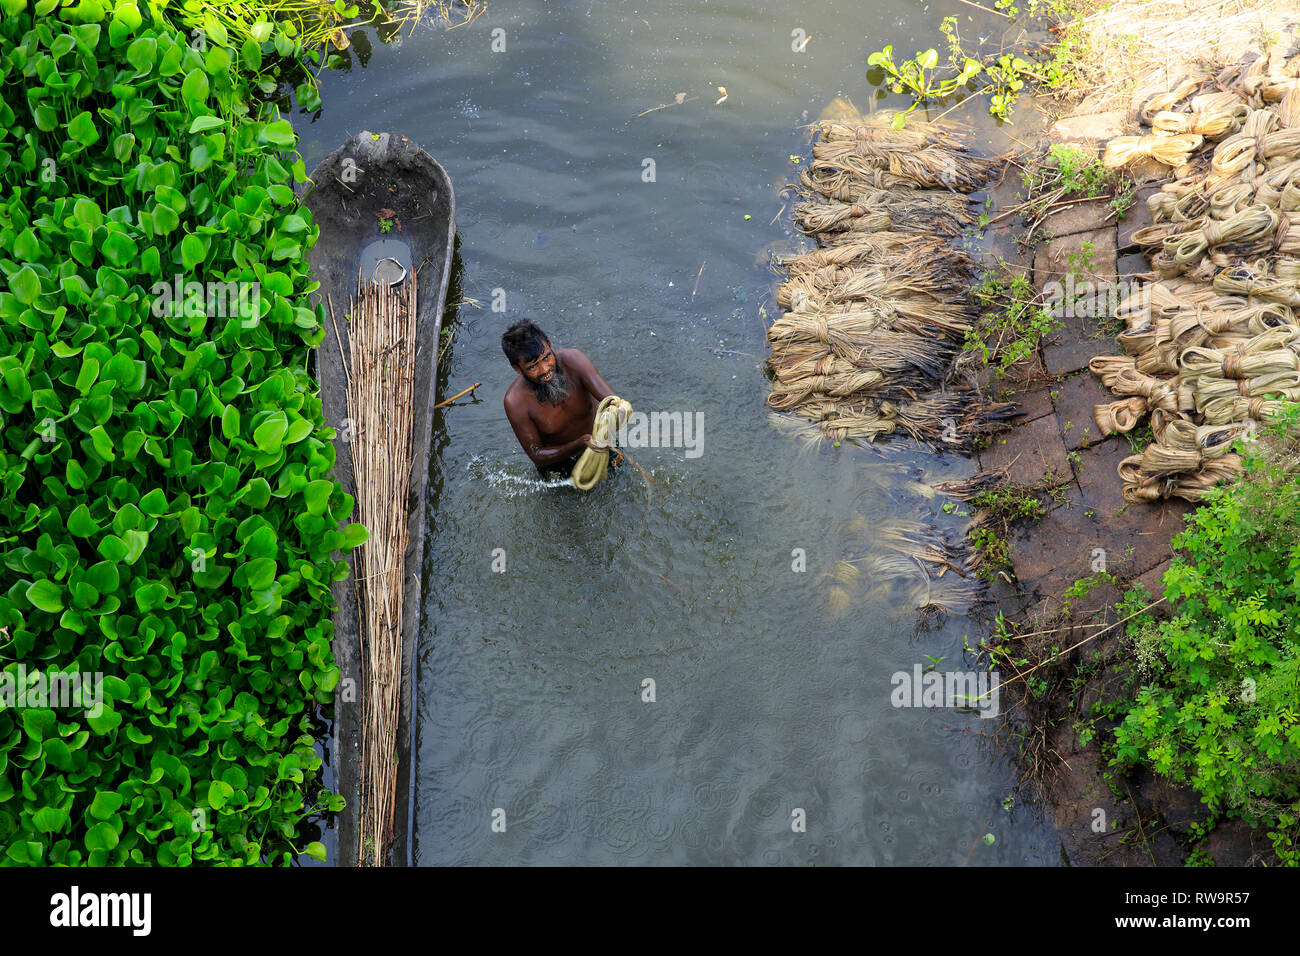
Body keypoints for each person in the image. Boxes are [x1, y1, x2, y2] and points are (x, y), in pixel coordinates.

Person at [501, 320, 621, 476]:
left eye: (546, 357)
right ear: (517, 368)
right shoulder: (515, 402)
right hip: (558, 464)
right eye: (532, 366)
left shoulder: (574, 361)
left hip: (602, 444)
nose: (545, 370)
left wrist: (615, 412)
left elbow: (613, 401)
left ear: (550, 345)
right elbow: (537, 455)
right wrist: (579, 445)